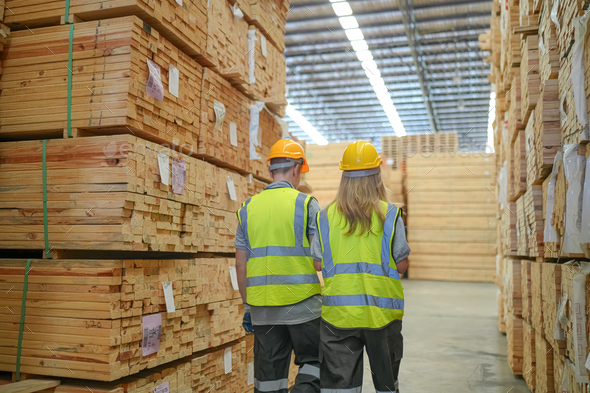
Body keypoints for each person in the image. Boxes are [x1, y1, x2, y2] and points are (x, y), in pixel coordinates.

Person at [312, 140, 410, 393]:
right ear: (377, 176)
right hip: (382, 316)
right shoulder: (390, 215)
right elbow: (401, 265)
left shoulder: (324, 216)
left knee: (339, 388)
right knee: (386, 387)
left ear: (344, 177)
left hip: (339, 318)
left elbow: (317, 262)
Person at [235, 139, 322, 393]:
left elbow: (240, 264)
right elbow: (320, 259)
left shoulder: (247, 209)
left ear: (270, 169)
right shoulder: (306, 204)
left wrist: (247, 306)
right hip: (304, 308)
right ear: (296, 168)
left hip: (263, 311)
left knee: (269, 380)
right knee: (316, 364)